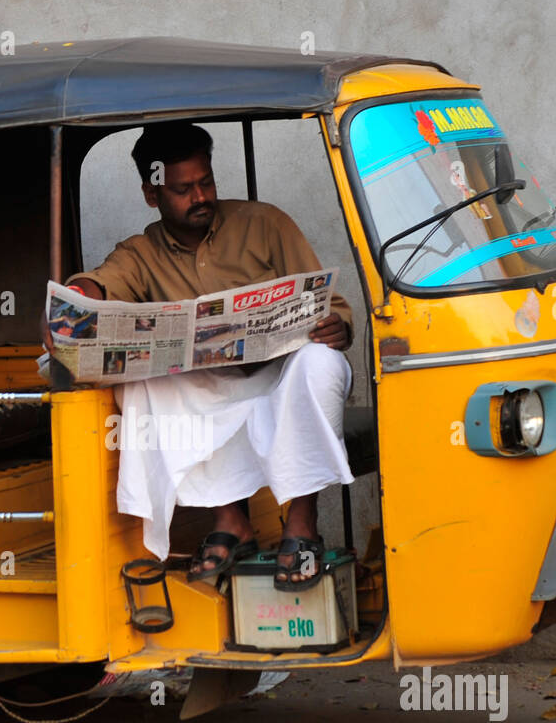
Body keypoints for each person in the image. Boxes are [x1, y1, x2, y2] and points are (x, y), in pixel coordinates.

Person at [48, 123, 354, 590]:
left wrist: (336, 325)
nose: (200, 197)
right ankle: (231, 520)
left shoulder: (264, 223)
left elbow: (330, 307)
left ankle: (303, 523)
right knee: (144, 381)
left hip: (280, 377)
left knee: (322, 364)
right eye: (183, 189)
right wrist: (72, 301)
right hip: (210, 390)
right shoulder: (139, 254)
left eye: (206, 182)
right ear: (153, 194)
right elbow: (98, 285)